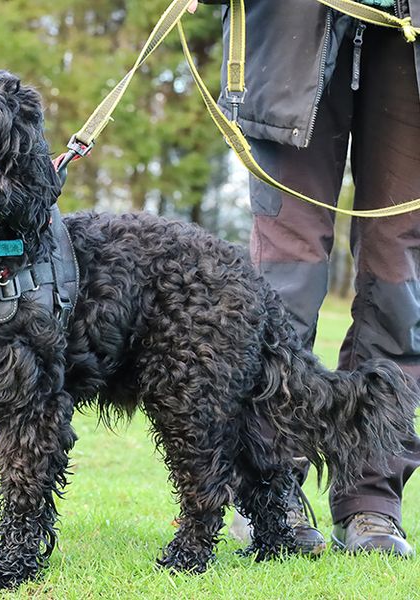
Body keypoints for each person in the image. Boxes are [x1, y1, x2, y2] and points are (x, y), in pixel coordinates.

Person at [189, 0, 420, 555]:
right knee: (284, 283)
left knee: (399, 281)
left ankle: (372, 497)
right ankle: (270, 490)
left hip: (408, 36)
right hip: (288, 28)